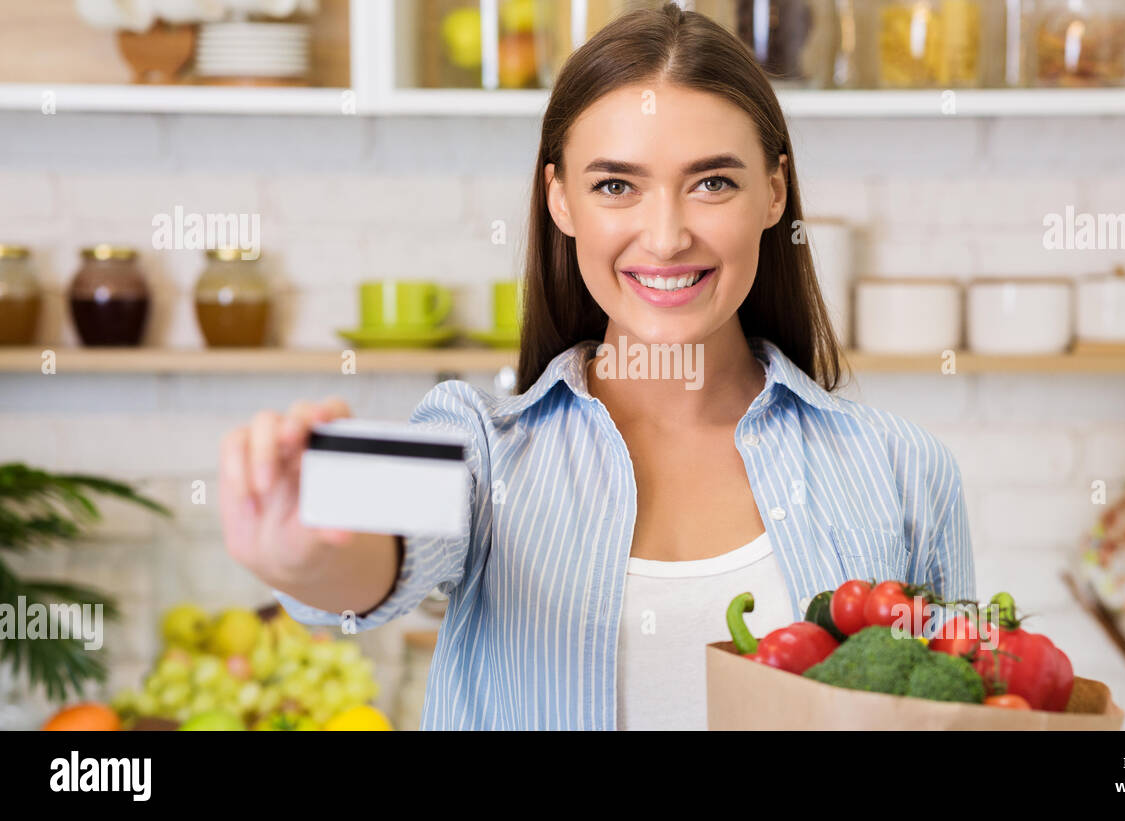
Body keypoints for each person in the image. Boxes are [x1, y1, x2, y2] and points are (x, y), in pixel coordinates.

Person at [219, 2, 974, 731]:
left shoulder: (902, 467)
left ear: (773, 192)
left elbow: (969, 704)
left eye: (713, 182)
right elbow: (369, 556)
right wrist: (304, 554)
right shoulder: (481, 445)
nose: (667, 235)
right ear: (561, 199)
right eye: (616, 185)